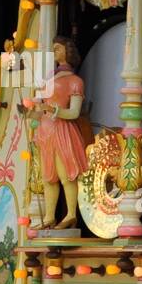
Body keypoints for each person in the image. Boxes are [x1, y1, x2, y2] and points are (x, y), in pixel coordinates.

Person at [29, 36, 90, 230]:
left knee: (66, 175)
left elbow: (74, 112)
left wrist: (53, 110)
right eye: (53, 47)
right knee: (48, 177)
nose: (54, 50)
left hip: (63, 130)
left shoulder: (75, 81)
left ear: (68, 51)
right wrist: (33, 113)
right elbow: (40, 109)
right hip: (46, 132)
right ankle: (49, 217)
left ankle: (71, 214)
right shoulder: (48, 80)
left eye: (58, 47)